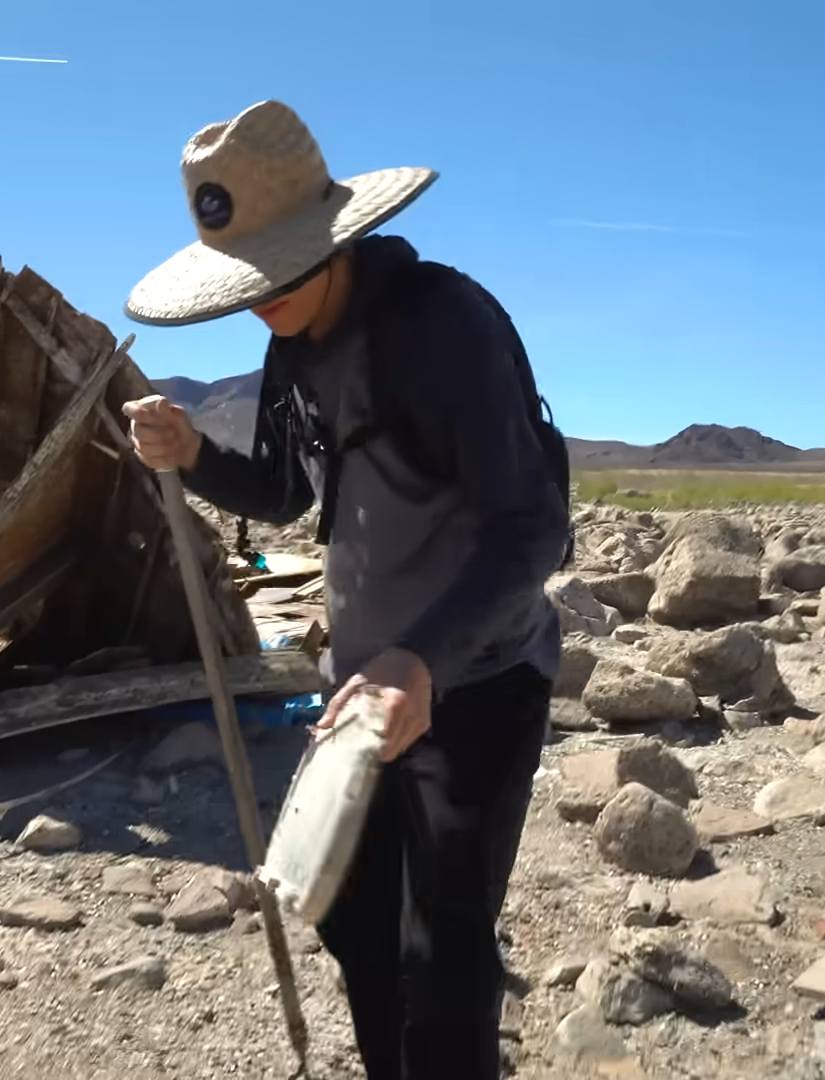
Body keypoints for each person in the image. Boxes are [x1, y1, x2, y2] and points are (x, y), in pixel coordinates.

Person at [119, 100, 571, 1080]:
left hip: (478, 682)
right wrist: (194, 453)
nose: (261, 298)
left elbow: (532, 529)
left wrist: (424, 661)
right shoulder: (291, 346)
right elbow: (285, 493)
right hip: (364, 689)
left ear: (335, 236)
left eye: (279, 268)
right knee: (355, 920)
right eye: (248, 277)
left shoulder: (444, 325)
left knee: (441, 945)